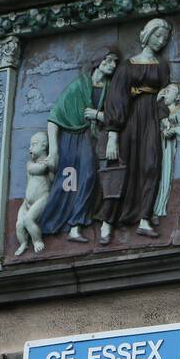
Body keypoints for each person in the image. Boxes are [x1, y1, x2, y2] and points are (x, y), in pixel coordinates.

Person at [96, 18, 172, 243]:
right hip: (129, 120)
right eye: (157, 35)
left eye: (165, 38)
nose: (161, 41)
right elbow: (117, 99)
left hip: (151, 120)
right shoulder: (127, 66)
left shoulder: (162, 66)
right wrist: (113, 135)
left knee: (151, 165)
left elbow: (165, 94)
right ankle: (107, 221)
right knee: (120, 168)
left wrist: (165, 118)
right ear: (147, 35)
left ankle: (144, 219)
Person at [41, 49, 119, 243]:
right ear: (99, 61)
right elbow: (55, 116)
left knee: (89, 176)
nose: (113, 65)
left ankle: (76, 225)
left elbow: (116, 116)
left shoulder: (110, 89)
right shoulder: (78, 86)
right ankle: (52, 223)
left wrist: (97, 115)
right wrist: (53, 151)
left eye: (115, 62)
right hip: (70, 138)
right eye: (109, 60)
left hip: (90, 138)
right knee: (68, 181)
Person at [154, 84, 180, 219]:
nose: (165, 94)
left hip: (169, 147)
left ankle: (159, 208)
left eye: (169, 91)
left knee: (165, 173)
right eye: (165, 91)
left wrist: (173, 130)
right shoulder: (160, 110)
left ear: (177, 97)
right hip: (156, 144)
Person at [14, 133, 52, 256]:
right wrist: (46, 164)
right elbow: (38, 169)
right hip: (26, 202)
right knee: (19, 224)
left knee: (28, 220)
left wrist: (48, 163)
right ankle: (23, 243)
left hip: (42, 198)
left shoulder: (48, 164)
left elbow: (45, 170)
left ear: (44, 146)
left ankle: (37, 240)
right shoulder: (30, 165)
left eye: (33, 145)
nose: (30, 148)